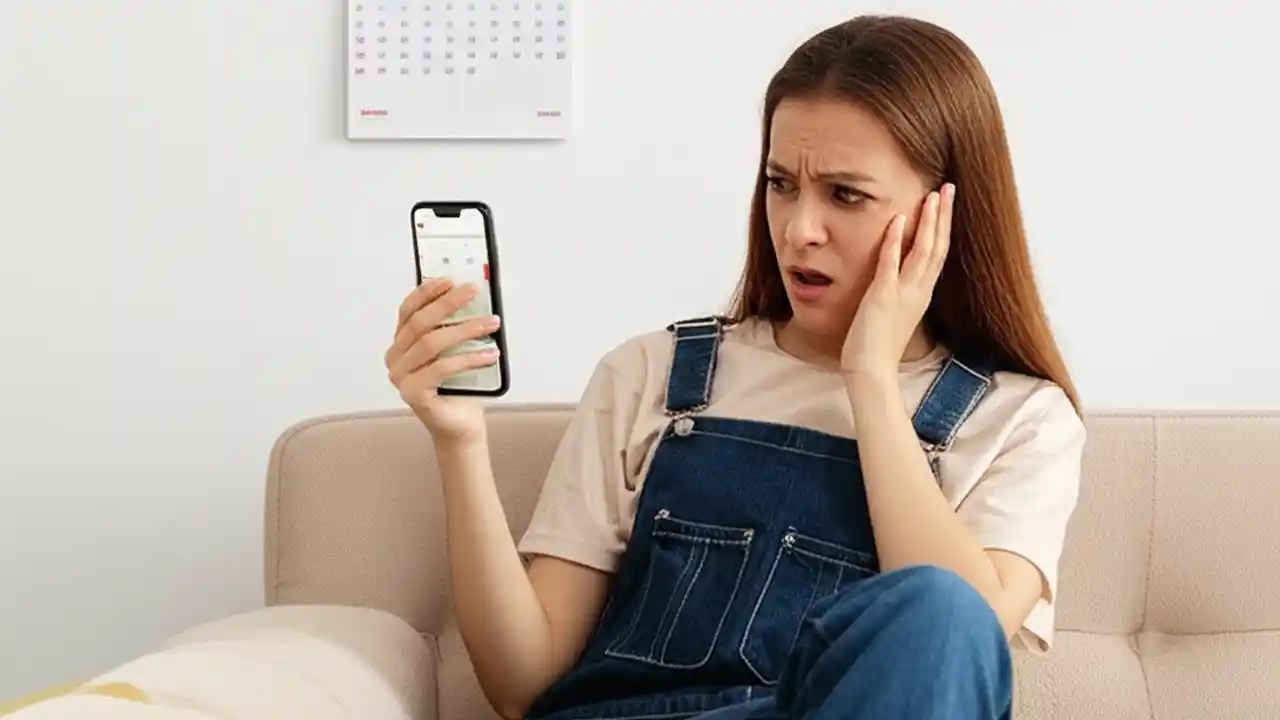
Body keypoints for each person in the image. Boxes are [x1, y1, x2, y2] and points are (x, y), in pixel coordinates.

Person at [384, 13, 1086, 720]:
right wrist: (458, 439)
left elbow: (958, 647)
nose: (798, 229)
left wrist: (869, 377)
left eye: (846, 195)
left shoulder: (1022, 421)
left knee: (941, 605)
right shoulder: (650, 374)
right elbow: (520, 684)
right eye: (781, 184)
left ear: (944, 214)